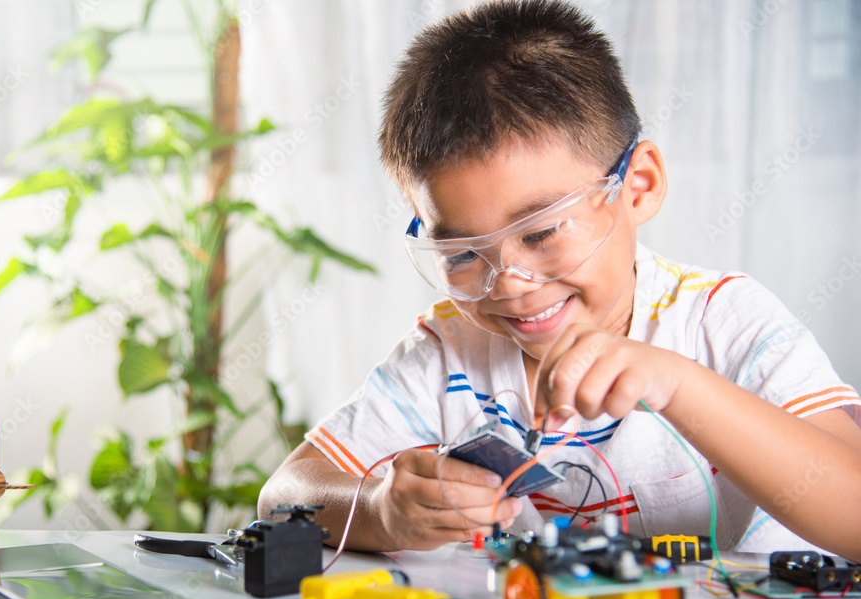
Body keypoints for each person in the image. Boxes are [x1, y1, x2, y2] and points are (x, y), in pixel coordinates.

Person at [257, 0, 861, 562]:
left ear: (638, 185)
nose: (510, 283)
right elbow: (282, 496)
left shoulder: (722, 321)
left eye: (542, 233)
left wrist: (679, 386)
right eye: (463, 253)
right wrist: (381, 509)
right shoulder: (447, 357)